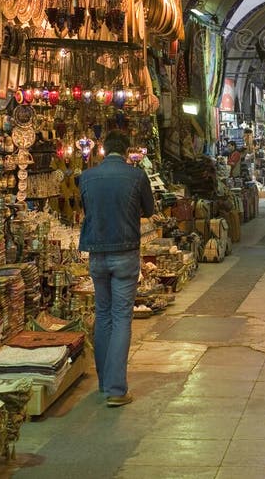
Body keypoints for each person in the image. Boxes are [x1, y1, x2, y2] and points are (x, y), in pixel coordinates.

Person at [79, 130, 155, 407]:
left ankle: (103, 383)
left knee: (104, 314)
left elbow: (86, 209)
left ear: (103, 149)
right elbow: (149, 210)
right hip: (125, 253)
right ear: (125, 152)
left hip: (97, 254)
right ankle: (116, 389)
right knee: (122, 317)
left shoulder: (86, 177)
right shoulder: (136, 175)